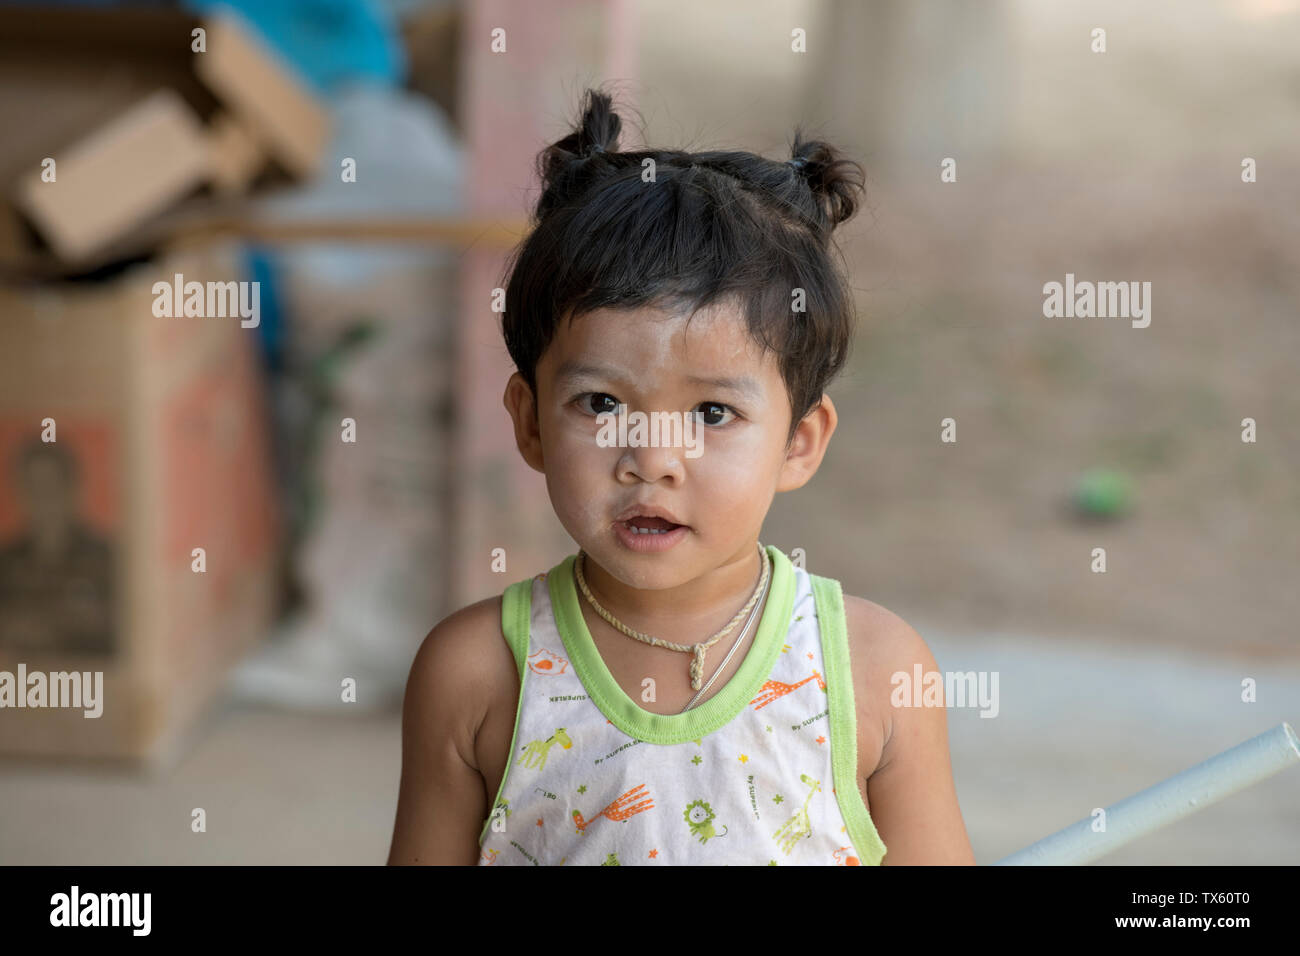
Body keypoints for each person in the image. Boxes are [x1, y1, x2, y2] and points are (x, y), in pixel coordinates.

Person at [388, 88, 975, 865]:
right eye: (602, 403)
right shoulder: (477, 676)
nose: (653, 456)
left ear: (799, 441)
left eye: (711, 414)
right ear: (530, 422)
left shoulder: (873, 672)